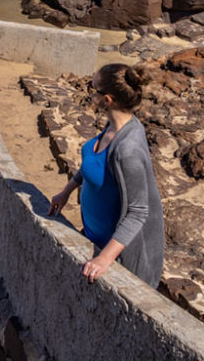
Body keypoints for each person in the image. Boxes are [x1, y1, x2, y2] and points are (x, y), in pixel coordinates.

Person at [47, 63, 164, 288]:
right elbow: (93, 164)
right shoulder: (114, 127)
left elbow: (138, 212)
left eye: (93, 87)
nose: (89, 92)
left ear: (107, 99)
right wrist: (66, 192)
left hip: (116, 253)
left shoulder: (128, 150)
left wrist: (104, 258)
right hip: (93, 236)